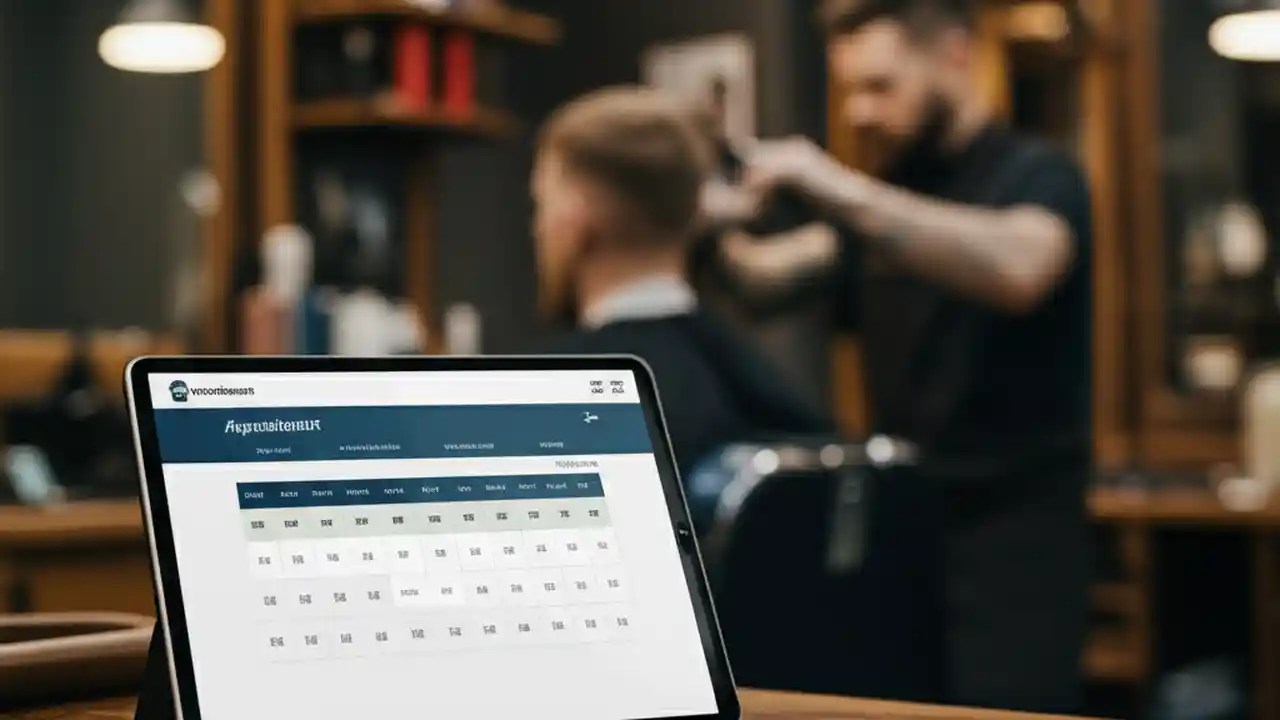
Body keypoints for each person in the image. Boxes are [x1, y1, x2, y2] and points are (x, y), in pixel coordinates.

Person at [736, 0, 1094, 712]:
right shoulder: (886, 202)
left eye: (880, 86)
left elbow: (1019, 268)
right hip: (905, 520)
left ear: (954, 53)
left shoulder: (1039, 175)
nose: (861, 113)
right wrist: (697, 221)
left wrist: (832, 183)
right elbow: (759, 283)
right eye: (850, 93)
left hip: (1016, 537)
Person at [530, 87, 831, 480]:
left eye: (539, 205)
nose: (536, 227)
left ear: (574, 218)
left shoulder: (549, 404)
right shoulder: (763, 391)